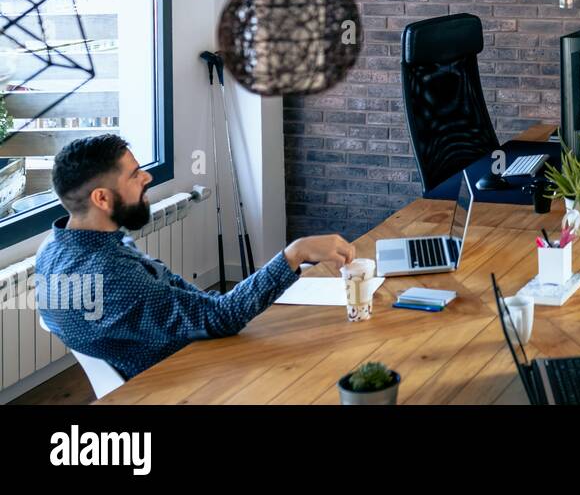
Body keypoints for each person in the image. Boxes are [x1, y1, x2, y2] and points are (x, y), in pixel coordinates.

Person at [35, 134, 355, 380]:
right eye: (134, 175)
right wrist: (295, 253)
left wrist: (217, 306)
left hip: (180, 353)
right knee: (326, 357)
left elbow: (198, 306)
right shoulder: (112, 278)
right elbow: (219, 318)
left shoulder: (54, 249)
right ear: (101, 198)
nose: (147, 177)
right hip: (186, 377)